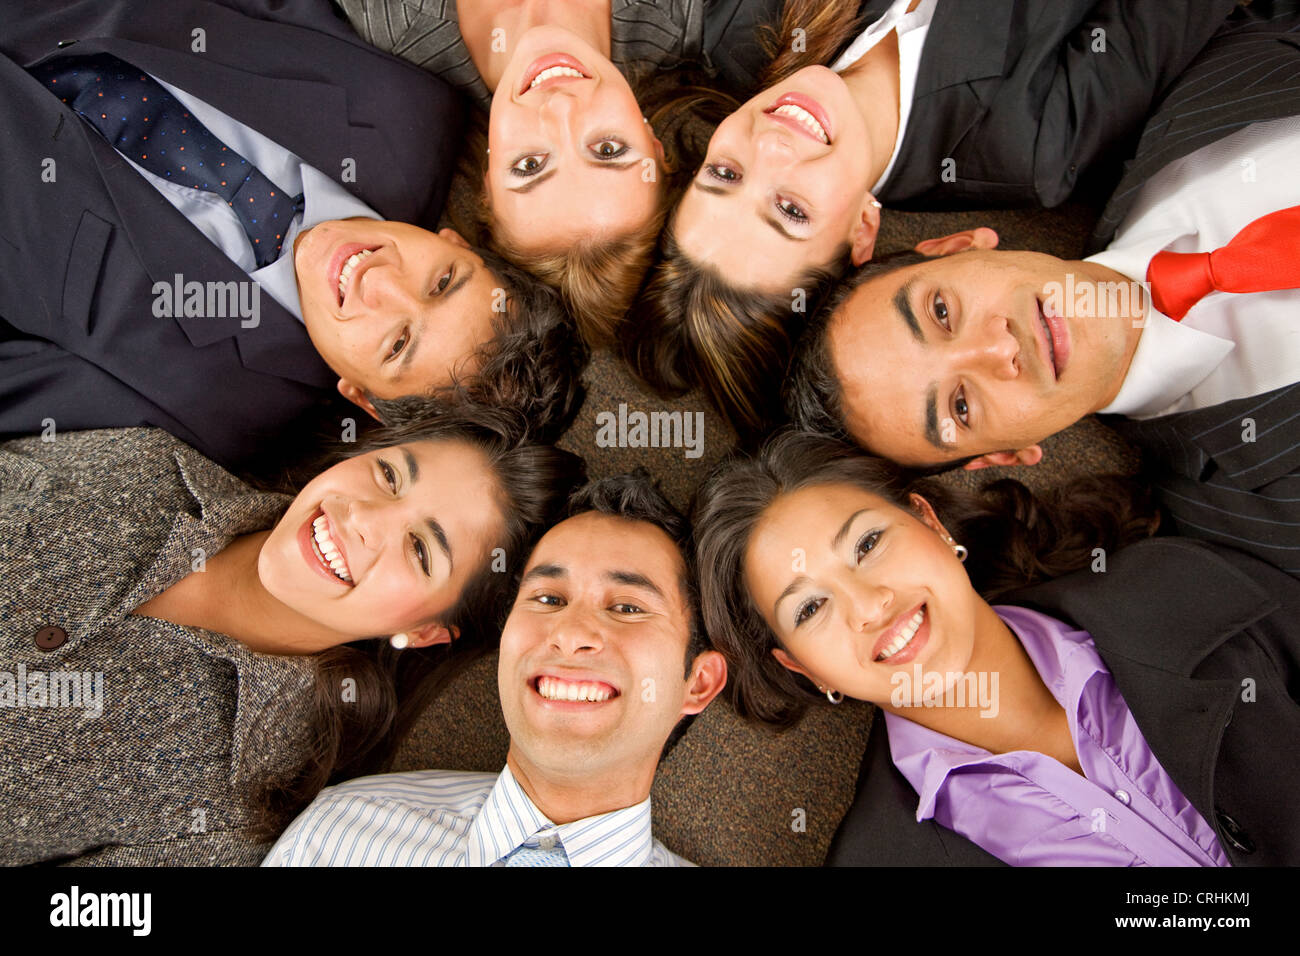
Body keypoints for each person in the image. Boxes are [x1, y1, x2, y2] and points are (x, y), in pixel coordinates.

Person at [786, 8, 1300, 575]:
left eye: (940, 311)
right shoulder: (1257, 521)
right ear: (1003, 456)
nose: (998, 350)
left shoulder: (1194, 92)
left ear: (958, 247)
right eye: (960, 404)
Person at [0, 0, 586, 478]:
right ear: (459, 243)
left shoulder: (201, 411)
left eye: (398, 342)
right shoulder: (402, 104)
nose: (378, 279)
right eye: (441, 282)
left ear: (363, 399)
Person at [0, 406, 584, 866]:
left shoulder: (247, 802)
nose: (363, 517)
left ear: (425, 631)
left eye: (420, 549)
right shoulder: (147, 467)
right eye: (389, 474)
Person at [623, 0, 1242, 434]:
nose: (770, 149)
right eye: (789, 209)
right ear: (863, 231)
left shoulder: (736, 28)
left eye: (725, 177)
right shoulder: (1038, 144)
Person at [693, 429, 1300, 865]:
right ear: (801, 667)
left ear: (930, 523)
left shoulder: (1184, 590)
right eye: (810, 608)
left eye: (868, 544)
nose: (870, 603)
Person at [264, 472, 728, 866]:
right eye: (548, 599)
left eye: (627, 607)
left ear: (698, 682)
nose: (569, 633)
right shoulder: (340, 834)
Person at [339, 0, 785, 344]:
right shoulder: (708, 14)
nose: (561, 108)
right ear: (653, 143)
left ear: (488, 187)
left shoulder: (389, 32)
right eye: (609, 149)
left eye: (530, 165)